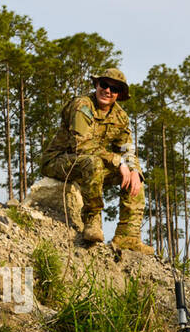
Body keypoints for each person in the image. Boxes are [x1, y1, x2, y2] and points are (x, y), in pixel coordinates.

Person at [38, 68, 151, 254]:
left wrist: (134, 170)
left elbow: (127, 149)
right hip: (58, 161)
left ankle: (127, 235)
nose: (108, 91)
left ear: (119, 94)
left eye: (114, 89)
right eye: (104, 85)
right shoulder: (82, 105)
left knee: (135, 177)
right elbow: (81, 144)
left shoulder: (120, 117)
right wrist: (118, 162)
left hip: (90, 165)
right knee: (93, 163)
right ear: (97, 85)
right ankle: (92, 220)